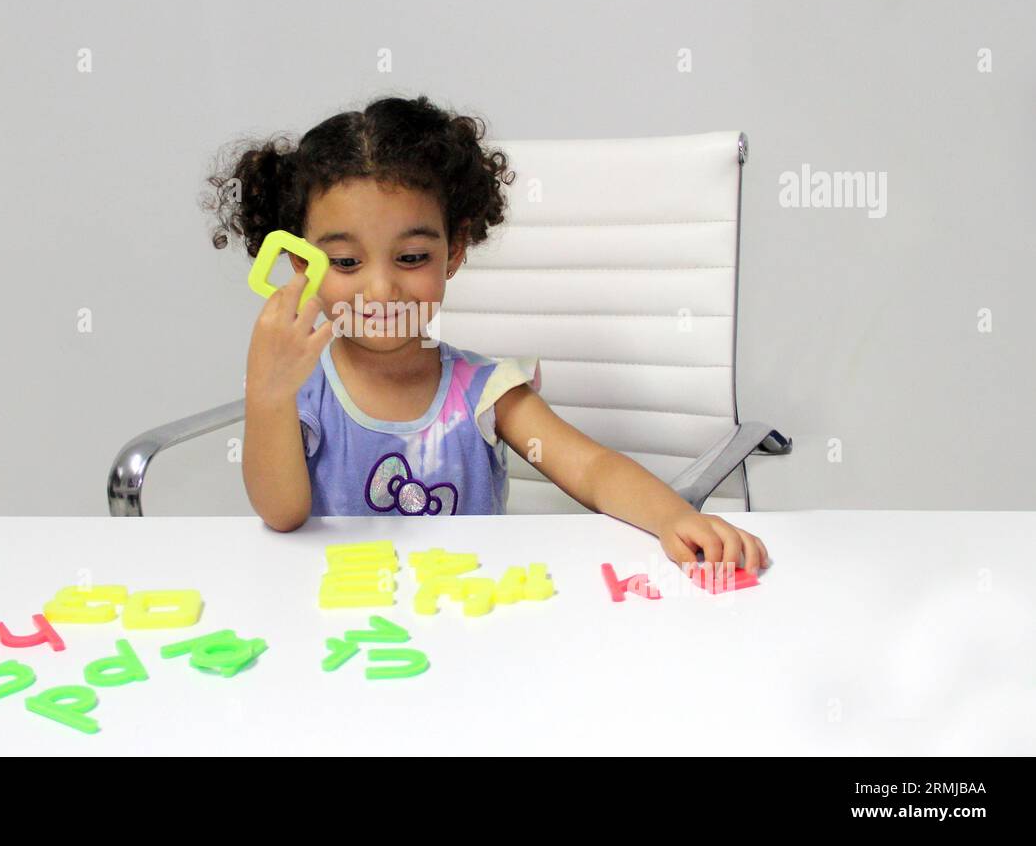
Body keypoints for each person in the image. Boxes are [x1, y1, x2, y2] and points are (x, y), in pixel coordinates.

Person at [202, 95, 768, 577]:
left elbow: (592, 470)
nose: (381, 289)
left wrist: (673, 516)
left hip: (474, 627)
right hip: (342, 627)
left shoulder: (485, 391)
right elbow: (282, 513)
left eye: (412, 256)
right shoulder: (303, 391)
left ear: (454, 252)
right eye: (346, 261)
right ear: (301, 265)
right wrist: (268, 393)